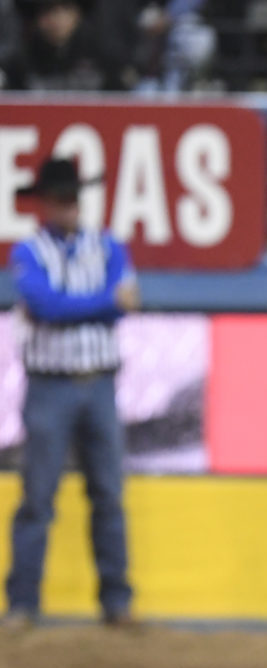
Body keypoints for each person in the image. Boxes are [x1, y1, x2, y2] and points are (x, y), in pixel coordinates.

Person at [4, 158, 139, 630]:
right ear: (45, 203)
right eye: (60, 198)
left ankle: (117, 601)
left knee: (108, 494)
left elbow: (126, 299)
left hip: (99, 383)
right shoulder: (28, 251)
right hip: (50, 386)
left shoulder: (107, 247)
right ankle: (22, 603)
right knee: (38, 497)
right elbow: (45, 305)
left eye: (73, 198)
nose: (68, 207)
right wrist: (102, 305)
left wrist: (83, 308)